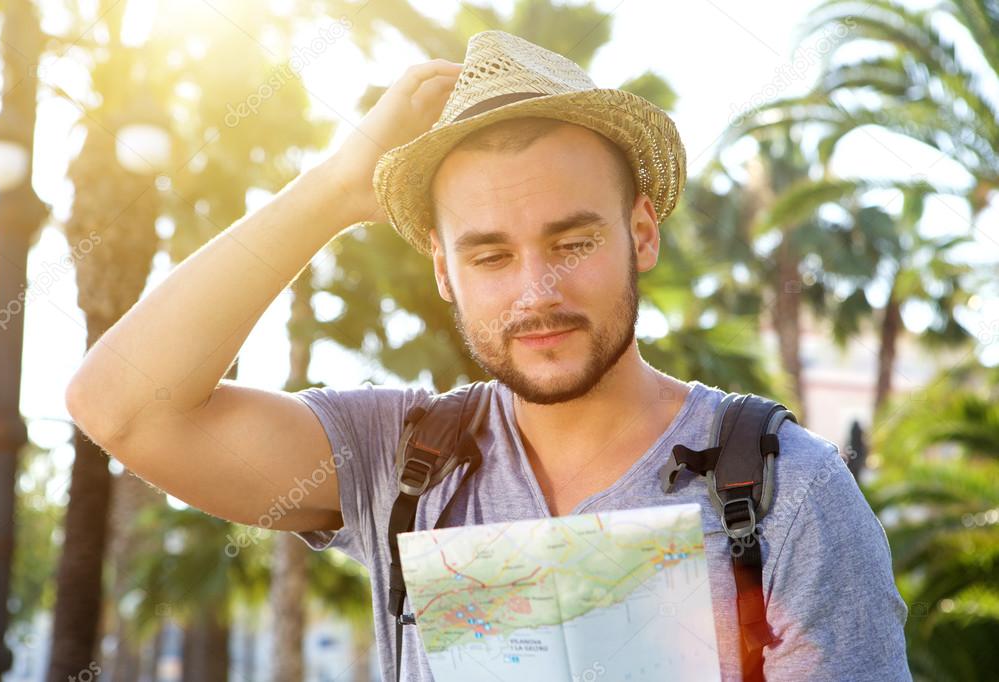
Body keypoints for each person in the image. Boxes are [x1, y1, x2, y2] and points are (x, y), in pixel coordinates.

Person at [66, 30, 911, 682]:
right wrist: (333, 190)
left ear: (641, 233)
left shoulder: (785, 490)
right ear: (444, 270)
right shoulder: (401, 462)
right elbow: (121, 408)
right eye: (490, 255)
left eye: (572, 242)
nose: (535, 292)